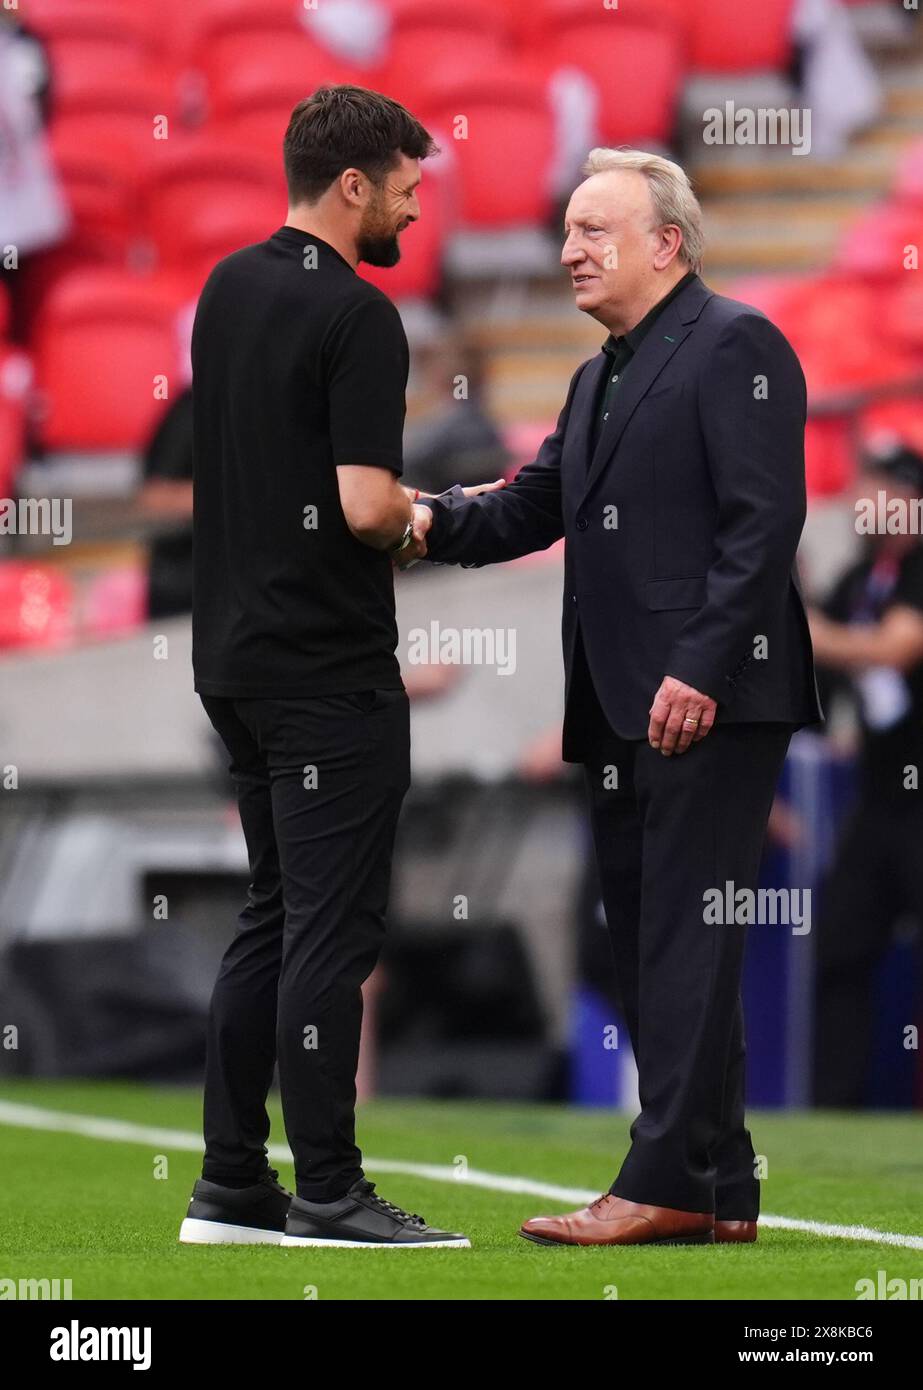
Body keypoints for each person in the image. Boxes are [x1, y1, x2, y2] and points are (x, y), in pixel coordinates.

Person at [411, 147, 822, 1247]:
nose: (567, 251)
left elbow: (760, 523)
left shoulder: (736, 342)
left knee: (681, 933)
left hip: (708, 697)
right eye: (566, 230)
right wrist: (422, 520)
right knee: (652, 936)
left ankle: (661, 1179)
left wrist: (697, 663)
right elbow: (531, 501)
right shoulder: (601, 371)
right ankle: (717, 1182)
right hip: (617, 702)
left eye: (594, 230)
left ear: (666, 242)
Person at [183, 85, 495, 1251]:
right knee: (328, 933)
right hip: (327, 667)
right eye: (407, 191)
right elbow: (364, 505)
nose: (415, 215)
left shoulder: (224, 287)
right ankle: (326, 1188)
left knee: (269, 916)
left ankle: (228, 1184)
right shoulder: (359, 317)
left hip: (234, 661)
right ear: (354, 185)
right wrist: (436, 515)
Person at [809, 439, 923, 1107]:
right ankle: (834, 1109)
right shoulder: (858, 579)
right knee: (841, 948)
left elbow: (893, 650)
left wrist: (802, 626)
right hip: (879, 797)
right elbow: (826, 680)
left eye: (877, 487)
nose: (861, 501)